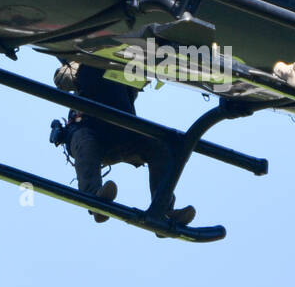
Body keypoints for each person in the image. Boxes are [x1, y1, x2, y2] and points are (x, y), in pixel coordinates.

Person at [53, 61, 195, 226]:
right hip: (89, 129)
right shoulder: (81, 63)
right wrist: (77, 68)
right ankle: (94, 199)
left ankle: (163, 209)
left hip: (123, 134)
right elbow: (61, 80)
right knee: (84, 143)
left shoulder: (127, 65)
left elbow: (144, 75)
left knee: (159, 146)